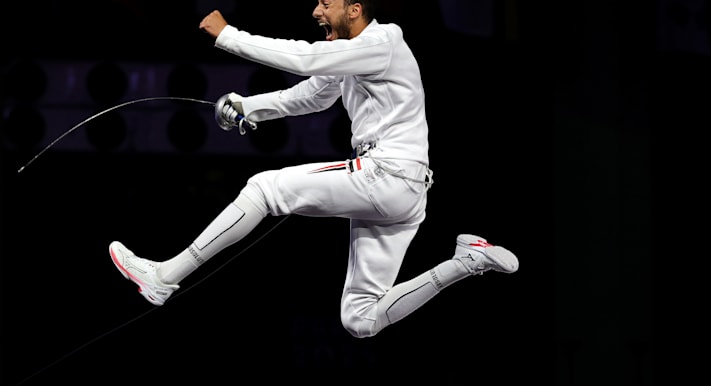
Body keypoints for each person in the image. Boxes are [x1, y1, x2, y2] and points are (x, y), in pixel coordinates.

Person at [108, 1, 519, 338]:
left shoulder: (383, 42)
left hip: (387, 173)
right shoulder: (353, 56)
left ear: (354, 9)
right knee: (361, 319)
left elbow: (306, 58)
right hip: (405, 193)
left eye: (326, 3)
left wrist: (229, 36)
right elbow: (308, 96)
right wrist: (248, 107)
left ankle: (165, 275)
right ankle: (465, 261)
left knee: (265, 188)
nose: (315, 11)